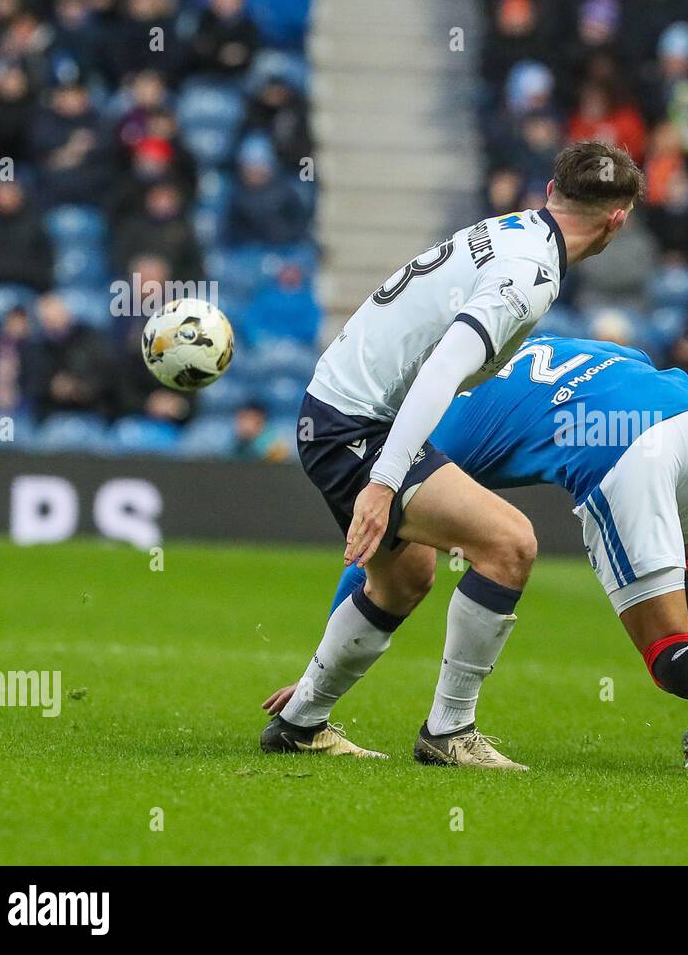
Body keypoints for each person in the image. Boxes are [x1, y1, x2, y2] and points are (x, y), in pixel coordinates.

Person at [264, 336, 688, 777]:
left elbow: (378, 552)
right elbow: (631, 363)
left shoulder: (437, 424)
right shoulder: (536, 346)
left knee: (665, 652)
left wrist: (319, 664)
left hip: (625, 455)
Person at [259, 143, 641, 768]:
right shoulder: (531, 273)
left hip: (339, 406)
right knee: (509, 544)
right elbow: (443, 367)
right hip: (355, 424)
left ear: (551, 191)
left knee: (406, 577)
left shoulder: (514, 230)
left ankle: (301, 722)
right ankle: (449, 732)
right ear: (618, 219)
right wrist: (382, 483)